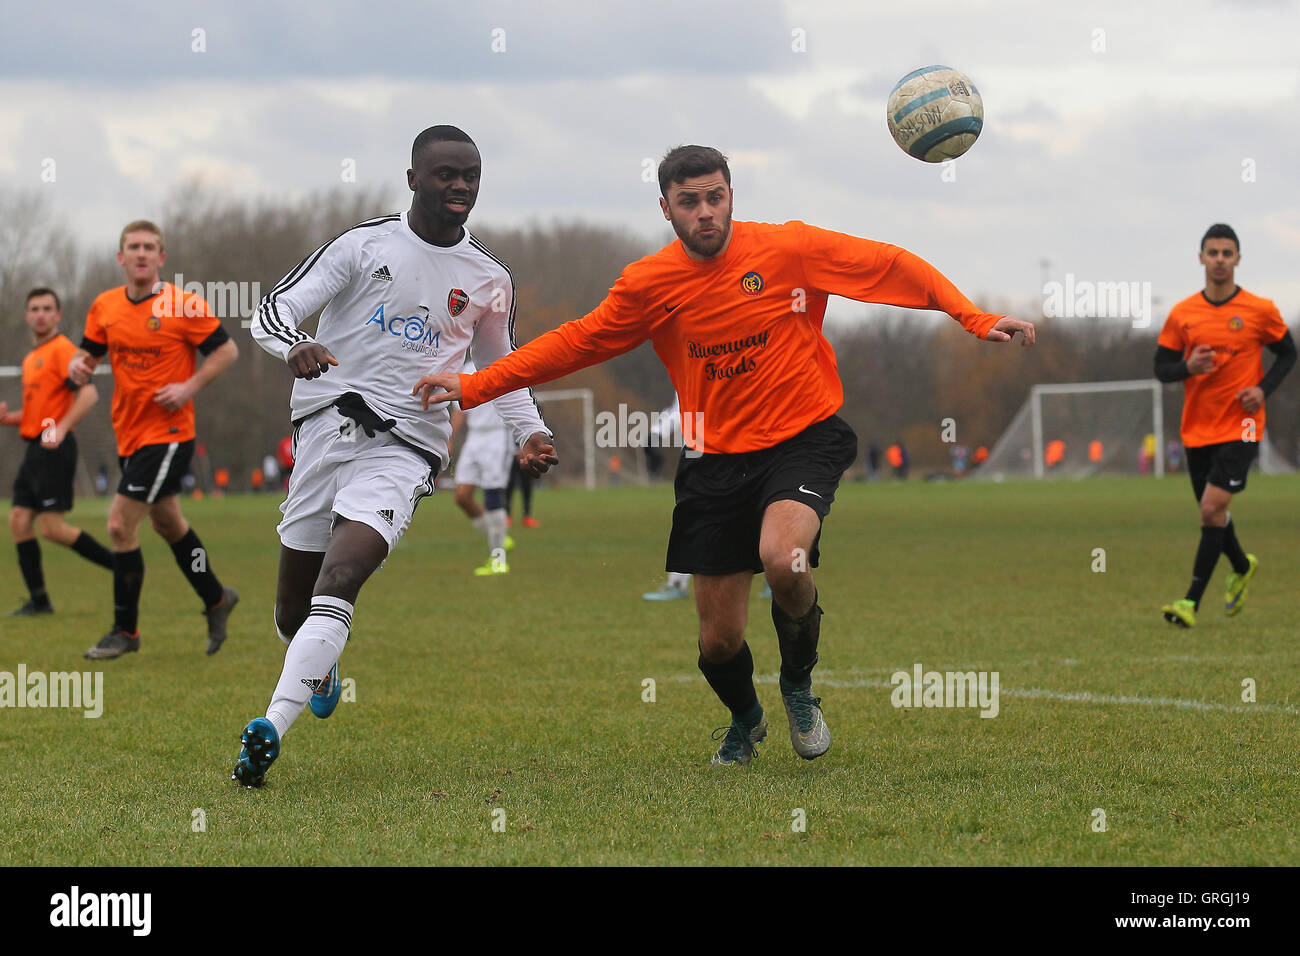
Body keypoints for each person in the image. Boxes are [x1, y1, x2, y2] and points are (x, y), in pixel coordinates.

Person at [414, 144, 1034, 766]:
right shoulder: (648, 284)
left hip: (803, 438)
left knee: (783, 560)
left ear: (731, 196)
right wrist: (474, 384)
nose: (705, 212)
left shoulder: (788, 249)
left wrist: (972, 317)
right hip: (714, 461)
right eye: (689, 202)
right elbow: (576, 343)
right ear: (666, 208)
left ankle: (798, 685)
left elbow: (891, 265)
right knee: (717, 642)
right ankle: (746, 719)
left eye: (716, 197)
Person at [233, 124, 555, 788]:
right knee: (294, 614)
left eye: (470, 175)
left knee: (342, 576)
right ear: (413, 179)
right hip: (325, 432)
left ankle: (268, 729)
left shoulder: (489, 278)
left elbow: (501, 365)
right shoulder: (365, 244)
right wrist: (293, 344)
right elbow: (272, 311)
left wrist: (530, 432)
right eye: (445, 174)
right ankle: (320, 658)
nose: (460, 186)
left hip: (407, 447)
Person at [67, 222, 240, 658]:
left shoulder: (183, 305)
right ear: (120, 257)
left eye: (149, 247)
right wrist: (77, 366)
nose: (141, 254)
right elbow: (86, 355)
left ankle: (126, 632)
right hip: (128, 434)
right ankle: (217, 598)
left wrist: (189, 387)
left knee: (119, 524)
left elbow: (226, 351)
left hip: (169, 434)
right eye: (133, 247)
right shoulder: (104, 306)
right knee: (168, 523)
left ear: (161, 258)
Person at [1155, 223, 1295, 627]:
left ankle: (1190, 603)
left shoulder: (1259, 310)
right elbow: (1161, 369)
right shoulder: (1183, 314)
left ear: (1237, 259)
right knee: (1212, 514)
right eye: (1212, 252)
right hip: (1197, 428)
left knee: (1211, 506)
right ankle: (1241, 565)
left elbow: (1287, 354)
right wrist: (1187, 367)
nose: (1219, 259)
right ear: (1201, 258)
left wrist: (1263, 390)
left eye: (1226, 253)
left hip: (1243, 426)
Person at [1, 288, 115, 615]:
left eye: (47, 308)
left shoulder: (64, 350)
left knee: (51, 528)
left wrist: (61, 428)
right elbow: (39, 414)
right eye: (34, 308)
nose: (40, 314)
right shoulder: (30, 358)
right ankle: (39, 602)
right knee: (19, 521)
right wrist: (10, 418)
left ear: (57, 315)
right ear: (26, 315)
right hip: (35, 449)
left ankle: (123, 567)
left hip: (55, 449)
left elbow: (89, 395)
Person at [448, 364, 516, 575]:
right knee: (462, 497)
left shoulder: (506, 362)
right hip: (475, 436)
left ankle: (498, 560)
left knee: (492, 496)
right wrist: (449, 439)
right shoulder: (467, 368)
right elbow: (461, 410)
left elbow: (519, 404)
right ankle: (498, 537)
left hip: (498, 436)